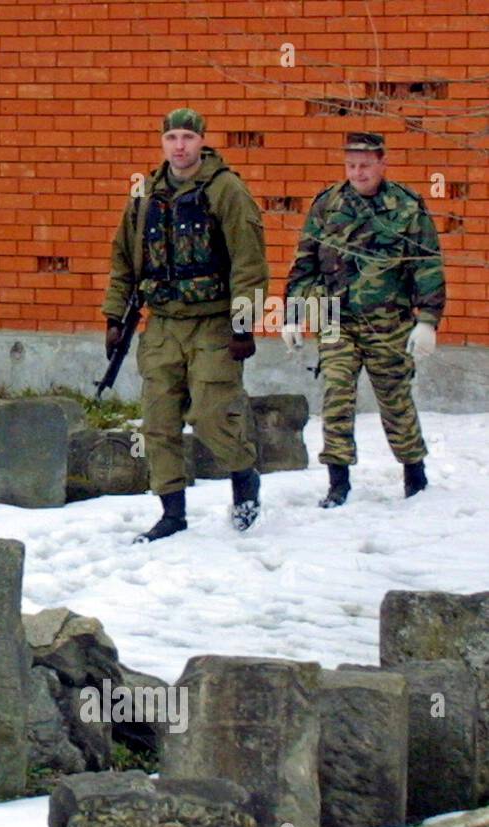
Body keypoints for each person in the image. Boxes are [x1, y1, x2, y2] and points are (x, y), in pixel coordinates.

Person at [102, 108, 268, 542]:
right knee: (158, 421)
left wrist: (243, 324)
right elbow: (123, 258)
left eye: (187, 138)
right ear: (163, 143)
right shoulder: (144, 196)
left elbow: (249, 264)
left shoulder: (225, 189)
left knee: (213, 414)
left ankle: (244, 477)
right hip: (162, 324)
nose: (179, 146)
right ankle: (172, 512)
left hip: (213, 322)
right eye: (172, 137)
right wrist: (114, 316)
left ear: (201, 142)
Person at [282, 132, 445, 507]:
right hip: (336, 318)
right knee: (336, 395)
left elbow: (427, 265)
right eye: (351, 165)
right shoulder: (327, 205)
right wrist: (292, 315)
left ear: (382, 163)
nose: (357, 172)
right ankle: (337, 481)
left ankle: (414, 473)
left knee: (395, 399)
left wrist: (428, 320)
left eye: (365, 165)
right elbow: (304, 263)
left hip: (389, 322)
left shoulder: (406, 206)